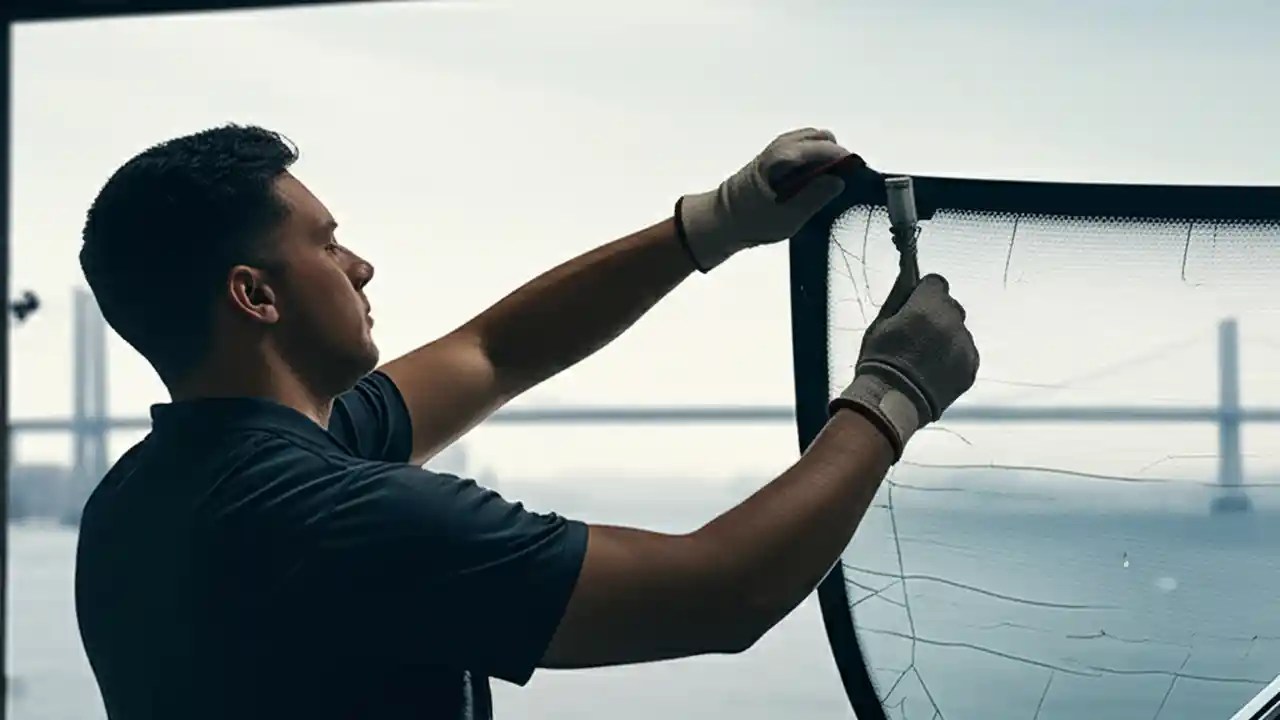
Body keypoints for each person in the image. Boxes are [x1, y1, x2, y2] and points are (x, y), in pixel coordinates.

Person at [73, 124, 979, 720]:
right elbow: (719, 593)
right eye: (325, 241)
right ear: (255, 295)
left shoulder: (152, 493)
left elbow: (495, 352)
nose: (362, 265)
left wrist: (719, 220)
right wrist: (892, 396)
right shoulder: (337, 520)